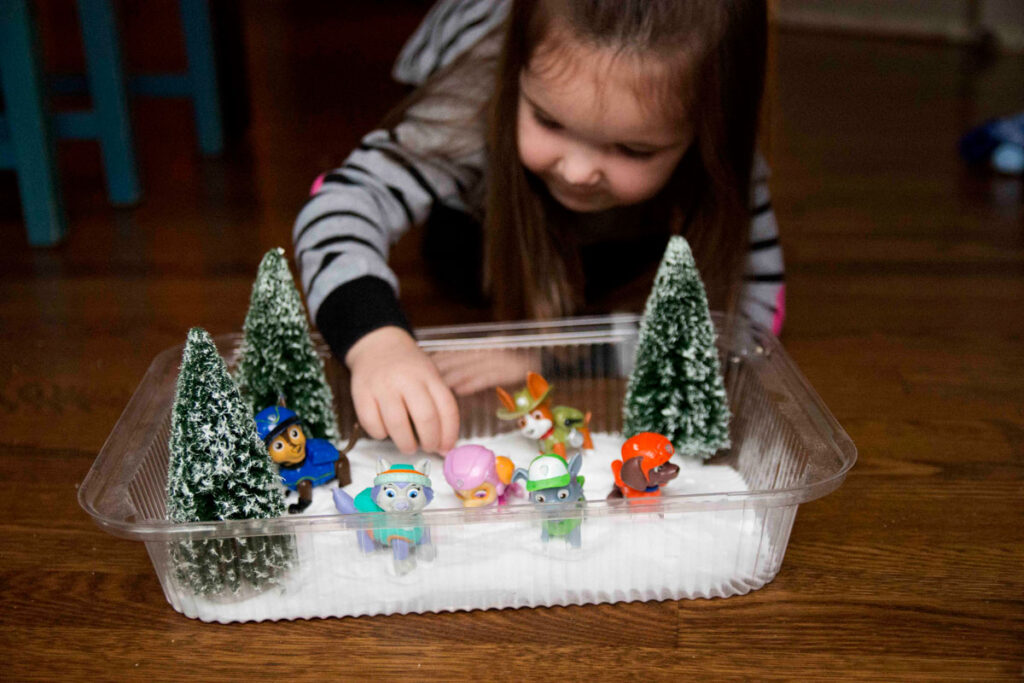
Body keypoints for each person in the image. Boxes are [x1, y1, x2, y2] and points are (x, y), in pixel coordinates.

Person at [293, 0, 784, 457]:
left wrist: (557, 356)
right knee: (457, 267)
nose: (577, 172)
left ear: (710, 135)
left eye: (633, 149)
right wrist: (376, 340)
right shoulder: (467, 109)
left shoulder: (726, 169)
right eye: (548, 121)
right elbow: (340, 205)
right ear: (516, 79)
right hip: (470, 172)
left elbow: (746, 323)